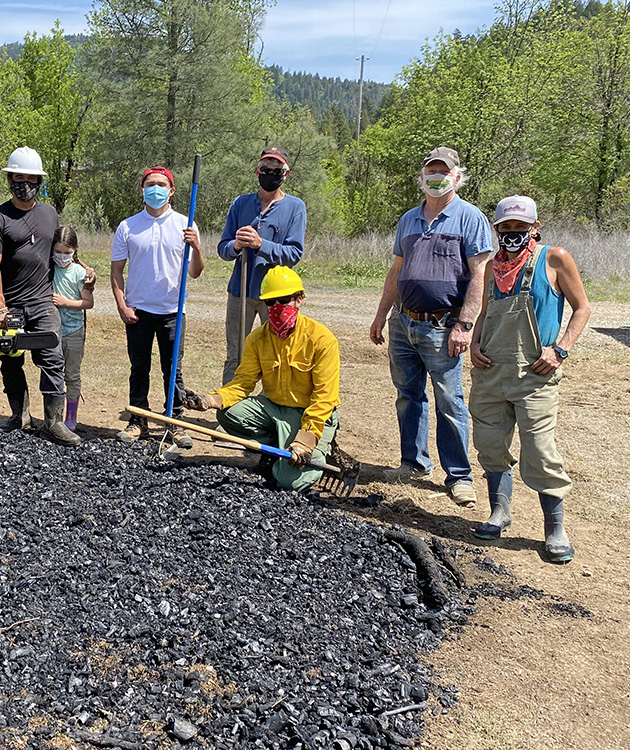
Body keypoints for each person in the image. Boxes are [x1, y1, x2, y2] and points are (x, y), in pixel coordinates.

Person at [369, 147, 493, 508]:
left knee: (449, 401)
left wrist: (465, 325)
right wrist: (381, 315)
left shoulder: (470, 218)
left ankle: (459, 476)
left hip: (444, 326)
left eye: (444, 172)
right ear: (421, 177)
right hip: (403, 322)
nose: (436, 177)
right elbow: (396, 270)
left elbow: (478, 276)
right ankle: (413, 463)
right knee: (408, 396)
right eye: (431, 171)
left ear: (457, 177)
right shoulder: (408, 219)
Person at [469, 196, 591, 563]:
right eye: (505, 228)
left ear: (534, 228)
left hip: (535, 375)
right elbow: (486, 313)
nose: (512, 234)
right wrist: (474, 344)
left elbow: (582, 308)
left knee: (539, 451)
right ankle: (499, 512)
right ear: (496, 229)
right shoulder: (492, 267)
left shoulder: (555, 259)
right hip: (491, 372)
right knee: (490, 444)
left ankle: (554, 529)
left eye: (520, 228)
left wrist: (560, 349)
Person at [184, 266, 341, 492]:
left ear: (299, 299)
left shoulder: (321, 340)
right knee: (228, 413)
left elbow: (324, 399)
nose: (276, 308)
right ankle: (276, 447)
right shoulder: (257, 338)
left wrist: (305, 440)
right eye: (270, 302)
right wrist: (210, 400)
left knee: (287, 483)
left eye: (283, 300)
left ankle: (318, 448)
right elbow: (242, 383)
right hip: (275, 408)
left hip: (312, 414)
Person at [0, 146, 80, 447]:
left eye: (30, 179)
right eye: (18, 178)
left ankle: (53, 422)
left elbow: (61, 249)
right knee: (11, 360)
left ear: (39, 182)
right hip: (9, 303)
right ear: (9, 180)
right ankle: (19, 416)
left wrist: (84, 268)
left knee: (52, 357)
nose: (24, 184)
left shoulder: (49, 213)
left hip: (42, 301)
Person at [111, 165, 204, 446]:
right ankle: (138, 420)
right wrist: (122, 305)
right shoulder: (128, 226)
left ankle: (174, 422)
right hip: (138, 311)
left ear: (171, 191)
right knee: (139, 367)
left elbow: (196, 272)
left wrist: (197, 247)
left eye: (162, 185)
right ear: (142, 190)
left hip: (172, 312)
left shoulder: (185, 224)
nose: (156, 189)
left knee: (173, 369)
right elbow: (116, 272)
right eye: (151, 184)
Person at [217, 146, 306, 384]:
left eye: (277, 170)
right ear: (257, 170)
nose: (271, 174)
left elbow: (294, 253)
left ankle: (271, 411)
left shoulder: (296, 207)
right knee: (236, 354)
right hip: (240, 292)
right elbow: (223, 249)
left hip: (278, 296)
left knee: (277, 355)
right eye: (266, 169)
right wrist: (236, 245)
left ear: (286, 174)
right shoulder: (240, 204)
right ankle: (230, 410)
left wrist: (261, 244)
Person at [51, 225, 94, 431]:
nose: (61, 257)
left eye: (66, 253)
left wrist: (64, 302)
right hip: (52, 331)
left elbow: (88, 303)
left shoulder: (79, 273)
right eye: (57, 252)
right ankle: (54, 414)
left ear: (74, 251)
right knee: (53, 373)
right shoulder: (48, 268)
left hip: (74, 330)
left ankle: (71, 416)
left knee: (72, 375)